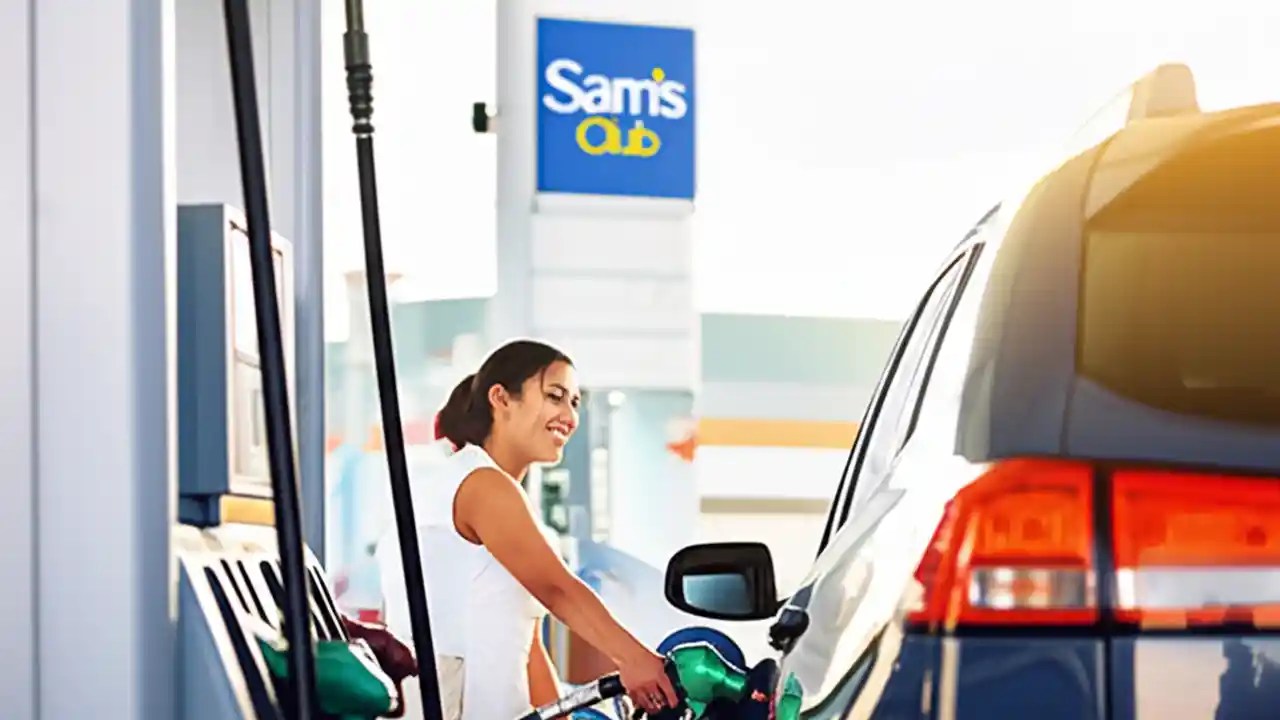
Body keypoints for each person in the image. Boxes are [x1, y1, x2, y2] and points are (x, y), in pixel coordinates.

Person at [406, 339, 677, 719]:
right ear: (500, 398)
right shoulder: (481, 484)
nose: (570, 416)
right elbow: (558, 590)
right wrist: (635, 659)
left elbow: (528, 647)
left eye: (575, 403)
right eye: (555, 396)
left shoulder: (473, 486)